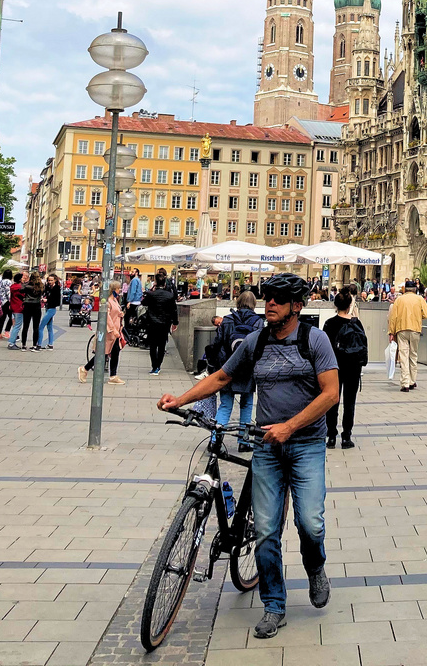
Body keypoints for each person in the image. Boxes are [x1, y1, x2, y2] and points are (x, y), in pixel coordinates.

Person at [158, 272, 339, 641]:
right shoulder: (256, 341)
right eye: (267, 297)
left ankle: (315, 567)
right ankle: (274, 604)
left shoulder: (315, 340)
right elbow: (223, 377)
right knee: (267, 531)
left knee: (311, 524)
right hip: (266, 446)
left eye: (277, 299)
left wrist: (290, 427)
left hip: (306, 445)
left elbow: (331, 393)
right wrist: (180, 399)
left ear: (297, 307)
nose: (268, 303)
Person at [209, 290, 263, 445]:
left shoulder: (227, 320)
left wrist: (214, 366)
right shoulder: (257, 322)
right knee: (246, 404)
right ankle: (244, 442)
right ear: (254, 304)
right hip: (248, 369)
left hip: (228, 367)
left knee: (225, 405)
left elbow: (217, 344)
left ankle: (215, 440)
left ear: (238, 302)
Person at [323, 289, 367, 449]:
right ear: (349, 305)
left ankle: (332, 436)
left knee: (332, 401)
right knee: (350, 402)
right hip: (353, 367)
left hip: (333, 367)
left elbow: (324, 348)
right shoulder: (356, 323)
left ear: (335, 305)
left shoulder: (329, 324)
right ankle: (346, 437)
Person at [80, 281, 125, 385]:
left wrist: (120, 314)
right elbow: (107, 317)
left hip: (116, 332)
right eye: (118, 289)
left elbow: (115, 313)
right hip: (109, 332)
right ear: (113, 290)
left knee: (115, 352)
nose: (120, 291)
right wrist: (113, 330)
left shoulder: (115, 300)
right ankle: (85, 368)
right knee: (102, 354)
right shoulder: (108, 301)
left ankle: (113, 375)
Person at [387, 279, 427, 392]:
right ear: (415, 289)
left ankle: (405, 383)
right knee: (413, 355)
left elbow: (393, 317)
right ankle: (412, 380)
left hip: (402, 329)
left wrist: (391, 332)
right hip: (415, 329)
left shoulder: (399, 300)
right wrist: (418, 316)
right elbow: (426, 313)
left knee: (403, 356)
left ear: (404, 289)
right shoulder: (419, 299)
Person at [142, 268, 179, 374]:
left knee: (153, 345)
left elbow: (144, 303)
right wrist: (175, 322)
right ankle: (158, 365)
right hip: (164, 323)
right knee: (162, 345)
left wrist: (152, 290)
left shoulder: (151, 295)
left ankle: (154, 366)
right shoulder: (170, 296)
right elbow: (174, 310)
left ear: (156, 283)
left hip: (152, 323)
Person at [18, 272, 44, 351]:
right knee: (36, 327)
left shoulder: (27, 286)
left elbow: (20, 290)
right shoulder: (41, 286)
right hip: (37, 306)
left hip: (28, 306)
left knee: (25, 326)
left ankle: (23, 345)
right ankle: (34, 345)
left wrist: (24, 282)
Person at [40, 274, 62, 350]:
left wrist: (47, 300)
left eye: (51, 280)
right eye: (49, 280)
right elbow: (44, 293)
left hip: (51, 309)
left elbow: (57, 301)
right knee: (49, 327)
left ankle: (38, 344)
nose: (50, 282)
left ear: (55, 280)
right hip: (47, 307)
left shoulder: (56, 288)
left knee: (41, 327)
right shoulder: (48, 287)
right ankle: (50, 344)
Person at [6, 273, 27, 349]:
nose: (24, 279)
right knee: (17, 326)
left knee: (15, 325)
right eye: (22, 278)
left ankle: (12, 342)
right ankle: (11, 343)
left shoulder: (13, 287)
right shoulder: (20, 288)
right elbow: (24, 296)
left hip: (13, 307)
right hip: (19, 308)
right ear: (19, 279)